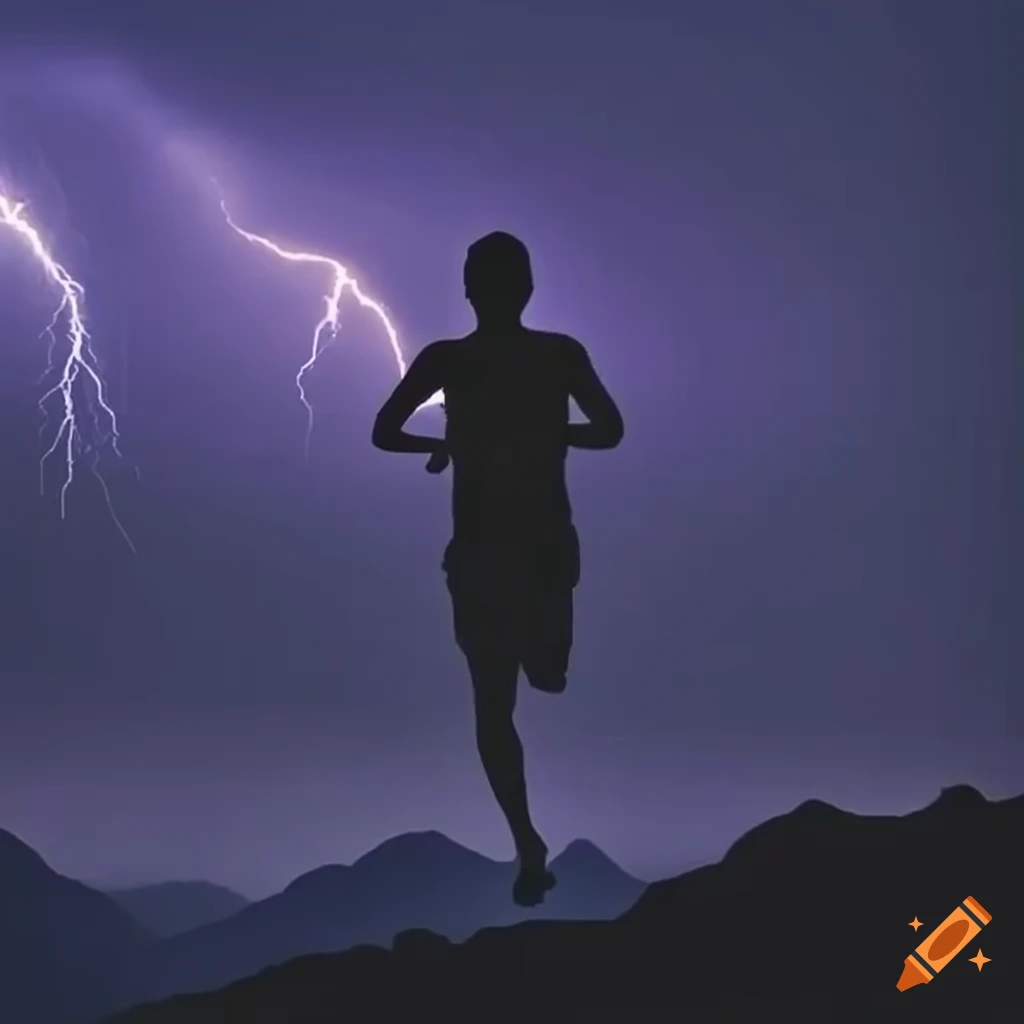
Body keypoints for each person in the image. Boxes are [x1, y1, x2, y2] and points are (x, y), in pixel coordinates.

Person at [372, 231, 624, 906]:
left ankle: (525, 838)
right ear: (528, 289)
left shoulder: (466, 359)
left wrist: (452, 443)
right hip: (508, 554)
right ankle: (528, 843)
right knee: (496, 701)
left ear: (469, 290)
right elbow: (610, 429)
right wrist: (532, 434)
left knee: (539, 680)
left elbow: (385, 431)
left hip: (517, 554)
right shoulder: (546, 356)